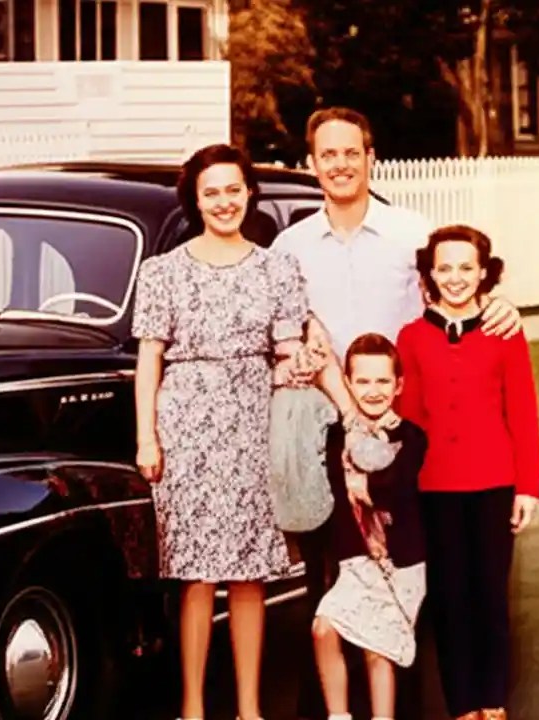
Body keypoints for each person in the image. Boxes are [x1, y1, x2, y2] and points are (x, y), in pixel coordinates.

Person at [269, 106, 524, 720]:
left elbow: (460, 291)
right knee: (331, 581)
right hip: (327, 429)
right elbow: (282, 335)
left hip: (403, 430)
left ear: (370, 157)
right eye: (327, 154)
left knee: (403, 571)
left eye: (351, 152)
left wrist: (504, 305)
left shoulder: (411, 232)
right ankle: (331, 710)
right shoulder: (291, 245)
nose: (340, 164)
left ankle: (401, 709)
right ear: (312, 164)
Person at [132, 143, 307, 720]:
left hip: (255, 422)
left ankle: (250, 709)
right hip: (186, 428)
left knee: (251, 571)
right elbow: (150, 362)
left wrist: (303, 358)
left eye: (234, 189)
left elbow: (285, 349)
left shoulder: (276, 267)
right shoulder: (163, 272)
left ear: (249, 193)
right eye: (212, 192)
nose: (225, 201)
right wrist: (147, 438)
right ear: (195, 200)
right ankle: (193, 708)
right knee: (197, 574)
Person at [395, 224, 539, 720]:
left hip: (495, 483)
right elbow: (410, 419)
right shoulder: (411, 338)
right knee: (450, 600)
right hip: (435, 487)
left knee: (490, 597)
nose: (455, 278)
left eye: (465, 268)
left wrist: (527, 486)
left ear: (483, 273)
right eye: (444, 268)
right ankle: (462, 704)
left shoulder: (506, 332)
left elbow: (523, 410)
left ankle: (492, 700)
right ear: (429, 275)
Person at [312, 333, 429, 720]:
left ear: (399, 386)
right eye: (363, 381)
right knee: (324, 628)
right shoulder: (334, 437)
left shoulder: (411, 437)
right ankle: (339, 715)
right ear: (347, 383)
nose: (373, 390)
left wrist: (362, 477)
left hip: (400, 564)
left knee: (378, 650)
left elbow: (392, 483)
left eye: (382, 381)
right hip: (355, 560)